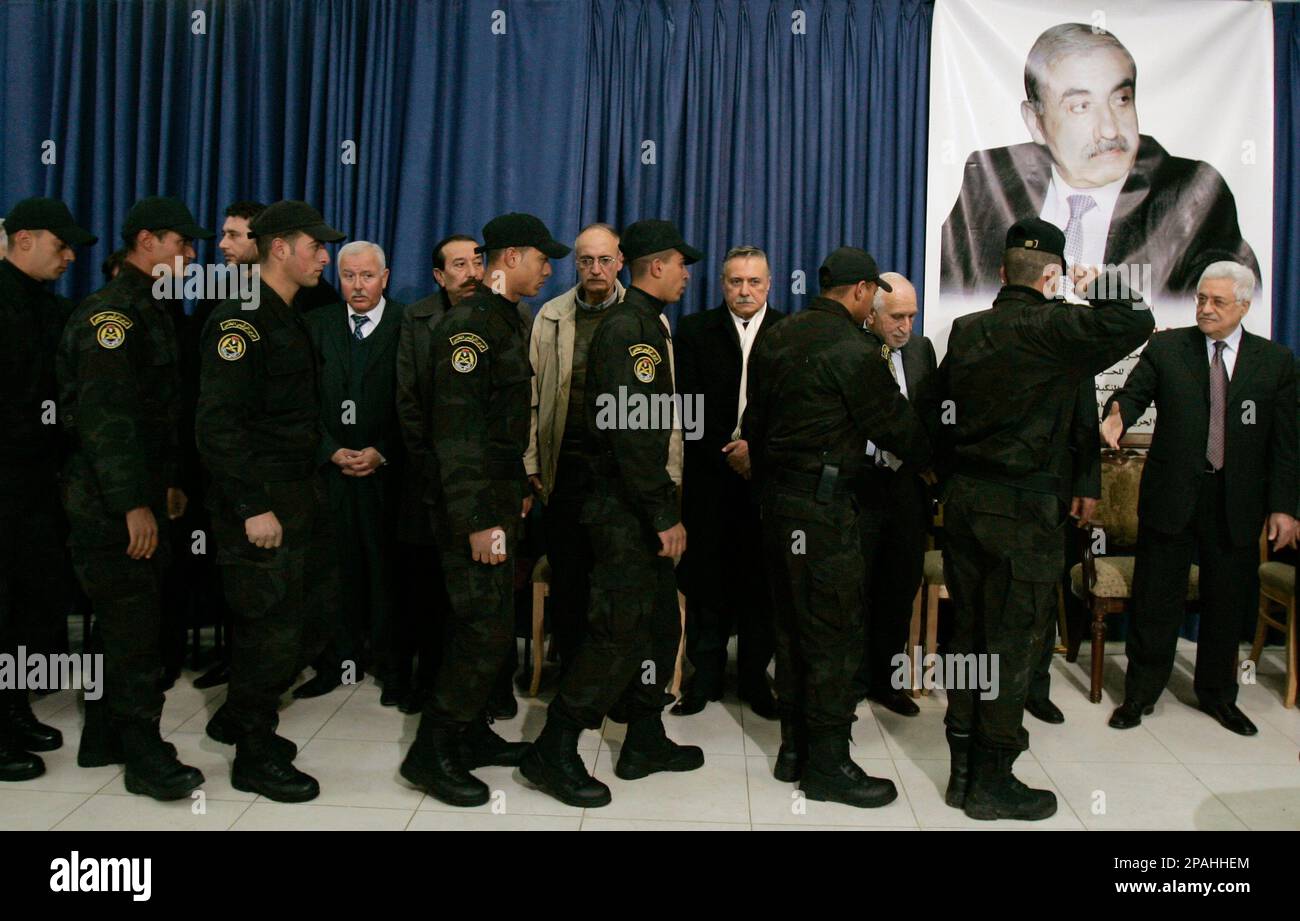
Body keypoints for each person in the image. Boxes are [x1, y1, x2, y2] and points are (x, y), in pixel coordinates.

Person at [920, 217, 1153, 821]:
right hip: (1024, 510)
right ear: (1051, 277)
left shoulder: (966, 332)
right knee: (1013, 644)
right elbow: (1136, 321)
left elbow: (939, 417)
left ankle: (962, 770)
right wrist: (1095, 282)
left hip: (968, 503)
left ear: (1001, 273)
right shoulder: (1057, 327)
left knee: (970, 635)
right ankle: (993, 780)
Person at [521, 219, 701, 809]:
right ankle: (555, 747)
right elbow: (631, 432)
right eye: (680, 264)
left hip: (633, 505)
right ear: (655, 265)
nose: (685, 274)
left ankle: (644, 738)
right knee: (616, 633)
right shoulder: (634, 332)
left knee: (656, 626)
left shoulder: (644, 323)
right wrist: (661, 514)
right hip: (623, 510)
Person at [745, 247, 930, 809]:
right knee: (832, 635)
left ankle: (794, 750)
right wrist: (942, 454)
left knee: (792, 628)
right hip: (825, 511)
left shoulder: (777, 335)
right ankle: (828, 765)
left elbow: (754, 422)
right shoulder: (855, 349)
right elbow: (898, 428)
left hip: (777, 505)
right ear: (862, 291)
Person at [400, 213, 568, 808]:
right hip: (475, 512)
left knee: (487, 626)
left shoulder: (501, 319)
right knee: (482, 630)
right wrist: (478, 521)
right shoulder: (470, 327)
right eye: (542, 257)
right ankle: (432, 752)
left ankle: (468, 736)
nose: (550, 268)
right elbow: (457, 433)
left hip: (499, 501)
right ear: (512, 257)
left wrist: (517, 486)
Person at [1102, 261, 1298, 736]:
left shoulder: (1275, 362)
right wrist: (1116, 418)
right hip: (1172, 495)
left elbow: (1287, 443)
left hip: (1236, 502)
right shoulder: (1169, 347)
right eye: (1202, 300)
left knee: (1226, 602)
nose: (1206, 309)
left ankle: (1217, 695)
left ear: (1244, 306)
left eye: (1218, 302)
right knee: (1155, 599)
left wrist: (1285, 507)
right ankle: (1140, 694)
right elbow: (1133, 394)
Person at [57, 196, 211, 799]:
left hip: (137, 493)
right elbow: (107, 420)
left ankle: (102, 736)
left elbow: (158, 414)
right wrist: (133, 505)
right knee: (134, 631)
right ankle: (143, 749)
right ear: (145, 242)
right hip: (110, 505)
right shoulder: (112, 317)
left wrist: (167, 482)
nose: (191, 255)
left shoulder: (152, 308)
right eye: (181, 244)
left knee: (122, 624)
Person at [196, 200, 345, 803]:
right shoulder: (242, 321)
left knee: (291, 623)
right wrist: (251, 505)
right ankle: (254, 753)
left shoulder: (285, 314)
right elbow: (218, 426)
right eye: (317, 246)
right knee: (268, 631)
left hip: (295, 495)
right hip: (260, 504)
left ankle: (239, 719)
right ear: (280, 247)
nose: (325, 257)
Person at [941, 22, 1258, 302]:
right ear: (1035, 121)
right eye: (1080, 106)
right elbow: (952, 293)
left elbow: (1223, 306)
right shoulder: (989, 179)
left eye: (1121, 100)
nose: (1109, 128)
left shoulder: (1192, 192)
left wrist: (1106, 292)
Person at [0, 198, 96, 781]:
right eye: (60, 246)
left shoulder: (51, 308)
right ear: (27, 238)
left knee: (30, 606)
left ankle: (13, 707)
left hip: (37, 482)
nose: (67, 258)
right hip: (6, 478)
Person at [673, 244, 781, 718]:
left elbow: (790, 406)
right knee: (707, 580)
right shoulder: (694, 330)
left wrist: (756, 451)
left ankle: (757, 681)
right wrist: (728, 451)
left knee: (761, 584)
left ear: (769, 285)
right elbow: (688, 407)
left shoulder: (788, 332)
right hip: (710, 478)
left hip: (766, 479)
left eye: (753, 281)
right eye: (735, 281)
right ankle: (705, 677)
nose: (744, 290)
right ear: (722, 285)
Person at [299, 242, 406, 702]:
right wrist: (329, 449)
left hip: (389, 475)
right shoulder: (316, 325)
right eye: (348, 276)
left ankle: (390, 662)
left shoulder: (411, 324)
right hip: (331, 474)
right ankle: (338, 660)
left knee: (389, 571)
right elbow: (299, 400)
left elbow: (419, 403)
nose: (357, 286)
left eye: (366, 276)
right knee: (333, 571)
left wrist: (383, 451)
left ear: (385, 277)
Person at [525, 223, 626, 674]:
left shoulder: (645, 317)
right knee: (568, 577)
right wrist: (530, 461)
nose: (595, 269)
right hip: (563, 468)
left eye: (605, 259)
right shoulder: (550, 316)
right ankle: (571, 672)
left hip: (620, 476)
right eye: (586, 260)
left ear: (620, 262)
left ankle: (610, 676)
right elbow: (530, 399)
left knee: (614, 578)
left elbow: (667, 406)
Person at [393, 233, 483, 713]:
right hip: (426, 476)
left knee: (473, 591)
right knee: (426, 585)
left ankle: (477, 689)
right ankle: (426, 679)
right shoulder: (417, 318)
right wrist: (433, 465)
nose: (471, 272)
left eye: (476, 262)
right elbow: (407, 398)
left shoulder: (503, 314)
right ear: (438, 275)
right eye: (459, 264)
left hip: (478, 481)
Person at [190, 201, 267, 692]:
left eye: (235, 235)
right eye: (224, 234)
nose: (223, 245)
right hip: (219, 462)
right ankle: (230, 659)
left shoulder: (302, 299)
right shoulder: (215, 298)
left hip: (271, 469)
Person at [851, 272, 935, 717]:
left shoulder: (921, 351)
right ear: (872, 314)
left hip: (906, 488)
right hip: (859, 484)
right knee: (855, 588)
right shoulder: (853, 349)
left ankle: (886, 681)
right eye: (896, 317)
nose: (905, 326)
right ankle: (852, 680)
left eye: (911, 316)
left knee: (899, 588)